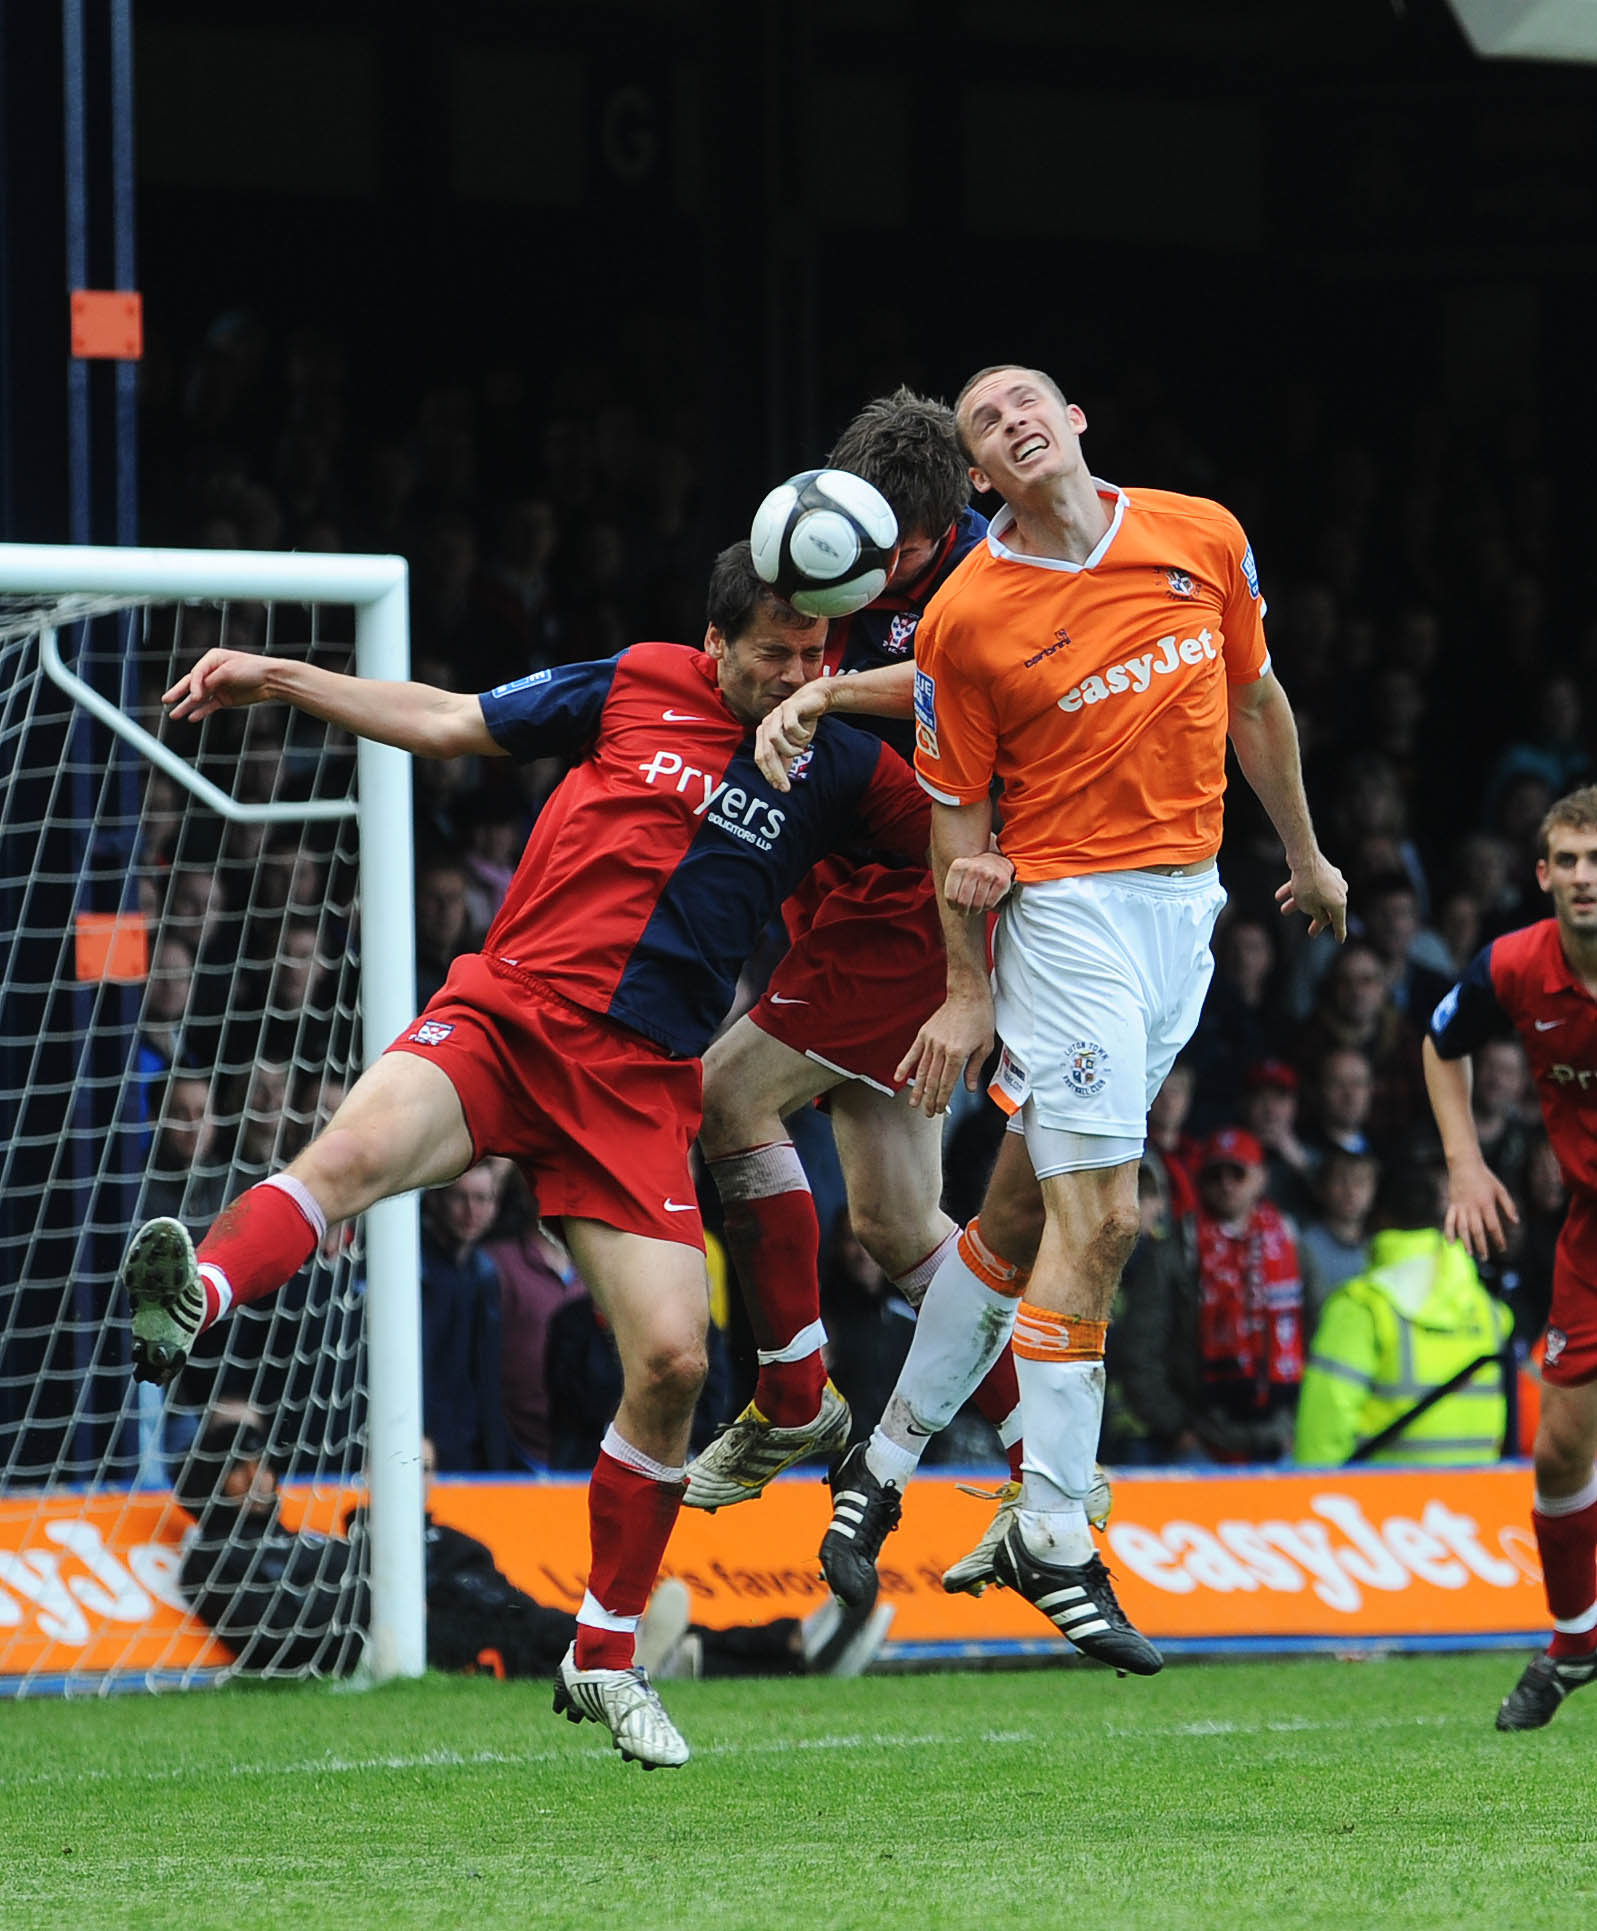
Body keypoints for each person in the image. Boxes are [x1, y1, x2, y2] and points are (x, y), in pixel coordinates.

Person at [119, 541, 934, 1769]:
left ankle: (604, 1655)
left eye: (817, 654)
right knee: (350, 1154)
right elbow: (449, 721)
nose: (799, 673)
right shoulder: (638, 678)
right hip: (510, 1015)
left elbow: (960, 809)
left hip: (640, 1083)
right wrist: (280, 677)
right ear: (716, 645)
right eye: (777, 652)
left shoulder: (834, 758)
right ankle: (197, 1296)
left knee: (667, 1359)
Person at [758, 363, 1346, 1669]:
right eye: (986, 419)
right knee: (1109, 1217)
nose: (1014, 416)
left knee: (1019, 1216)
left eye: (1031, 397)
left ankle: (883, 1463)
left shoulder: (1202, 532)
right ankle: (1055, 1524)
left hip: (1180, 916)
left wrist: (1305, 854)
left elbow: (1253, 698)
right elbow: (955, 809)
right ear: (979, 475)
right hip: (1063, 917)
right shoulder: (965, 617)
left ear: (1077, 418)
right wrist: (968, 988)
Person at [683, 388, 1030, 1526]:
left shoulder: (997, 577)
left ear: (942, 530)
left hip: (917, 899)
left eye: (897, 552)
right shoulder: (823, 537)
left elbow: (949, 681)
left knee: (727, 1093)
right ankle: (1049, 1452)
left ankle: (793, 1394)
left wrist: (826, 686)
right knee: (892, 1223)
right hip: (845, 882)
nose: (867, 573)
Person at [178, 1411, 894, 1684]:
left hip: (457, 1609)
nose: (263, 1474)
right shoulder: (216, 1559)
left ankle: (793, 1647)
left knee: (569, 1627)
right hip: (409, 1637)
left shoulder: (314, 1535)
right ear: (214, 1479)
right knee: (562, 1636)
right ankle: (785, 1650)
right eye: (242, 1463)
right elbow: (270, 1636)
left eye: (264, 1458)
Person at [1423, 783, 1597, 1732]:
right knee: (1560, 1447)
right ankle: (1575, 1641)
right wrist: (1464, 1163)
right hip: (1589, 1232)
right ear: (1541, 875)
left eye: (1596, 860)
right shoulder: (1515, 967)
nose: (1583, 877)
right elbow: (1439, 1042)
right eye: (1568, 860)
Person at [1293, 1163, 1510, 1468]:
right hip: (1473, 1508)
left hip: (1380, 1510)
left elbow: (1321, 1438)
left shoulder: (1360, 1308)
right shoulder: (1491, 1312)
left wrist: (1308, 1502)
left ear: (1377, 1219)